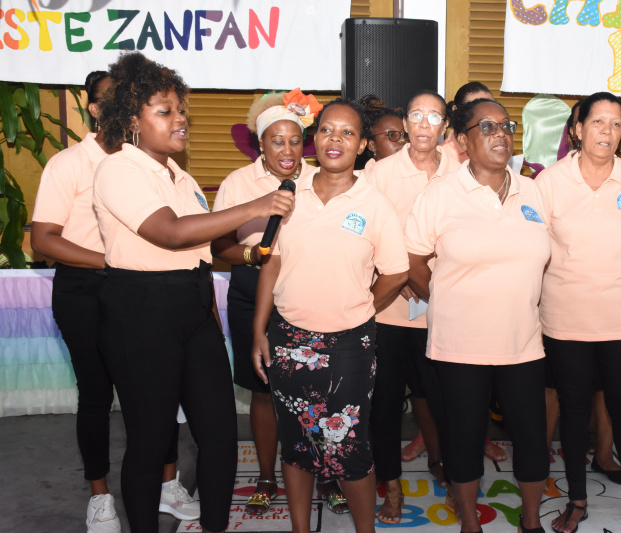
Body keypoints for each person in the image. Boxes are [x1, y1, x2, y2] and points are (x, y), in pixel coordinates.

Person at [92, 52, 294, 533]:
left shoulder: (179, 177)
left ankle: (215, 527)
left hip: (193, 309)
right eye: (165, 111)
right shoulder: (118, 168)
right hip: (141, 310)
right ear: (133, 120)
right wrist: (259, 205)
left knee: (221, 436)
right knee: (150, 442)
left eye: (181, 109)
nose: (180, 119)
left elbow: (201, 251)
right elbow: (170, 232)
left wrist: (217, 303)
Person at [30, 70, 198, 533]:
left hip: (141, 290)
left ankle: (167, 483)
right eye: (113, 98)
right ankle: (100, 496)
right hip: (85, 290)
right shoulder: (69, 163)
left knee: (159, 391)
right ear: (95, 108)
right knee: (96, 395)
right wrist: (109, 260)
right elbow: (43, 239)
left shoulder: (151, 162)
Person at [251, 98, 409, 533]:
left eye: (347, 132)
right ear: (314, 138)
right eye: (326, 130)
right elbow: (272, 263)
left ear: (362, 146)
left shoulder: (374, 203)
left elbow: (396, 272)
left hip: (348, 344)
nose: (334, 139)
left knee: (348, 447)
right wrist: (259, 330)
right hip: (288, 339)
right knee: (297, 443)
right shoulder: (289, 193)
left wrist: (362, 307)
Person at [405, 98, 550, 533]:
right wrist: (446, 298)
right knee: (464, 440)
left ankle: (530, 522)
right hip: (459, 346)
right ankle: (470, 523)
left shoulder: (532, 191)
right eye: (486, 127)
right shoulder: (439, 194)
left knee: (532, 439)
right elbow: (412, 260)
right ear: (462, 141)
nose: (500, 134)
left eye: (506, 126)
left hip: (522, 342)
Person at [533, 92, 621, 533]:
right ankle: (576, 500)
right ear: (577, 129)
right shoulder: (550, 182)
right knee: (572, 411)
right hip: (565, 321)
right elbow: (531, 250)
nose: (607, 131)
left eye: (616, 124)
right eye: (598, 122)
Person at [211, 90, 349, 515]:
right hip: (252, 289)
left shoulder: (320, 178)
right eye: (277, 141)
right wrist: (252, 255)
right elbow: (218, 246)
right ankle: (267, 476)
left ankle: (326, 473)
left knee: (318, 391)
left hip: (310, 292)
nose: (287, 150)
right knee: (265, 390)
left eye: (294, 141)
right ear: (261, 144)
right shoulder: (238, 183)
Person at [364, 89, 460, 523]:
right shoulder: (379, 173)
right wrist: (394, 274)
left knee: (449, 406)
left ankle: (457, 480)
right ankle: (392, 488)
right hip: (388, 311)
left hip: (445, 312)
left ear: (445, 126)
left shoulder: (462, 172)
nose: (424, 124)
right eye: (417, 115)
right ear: (405, 124)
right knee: (384, 408)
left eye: (433, 116)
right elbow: (362, 233)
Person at [439, 82, 493, 164]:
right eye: (475, 108)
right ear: (456, 110)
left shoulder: (497, 147)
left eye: (490, 107)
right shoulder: (442, 156)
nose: (484, 115)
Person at [356, 94, 407, 172]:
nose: (403, 140)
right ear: (372, 145)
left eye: (404, 134)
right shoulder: (361, 178)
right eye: (392, 135)